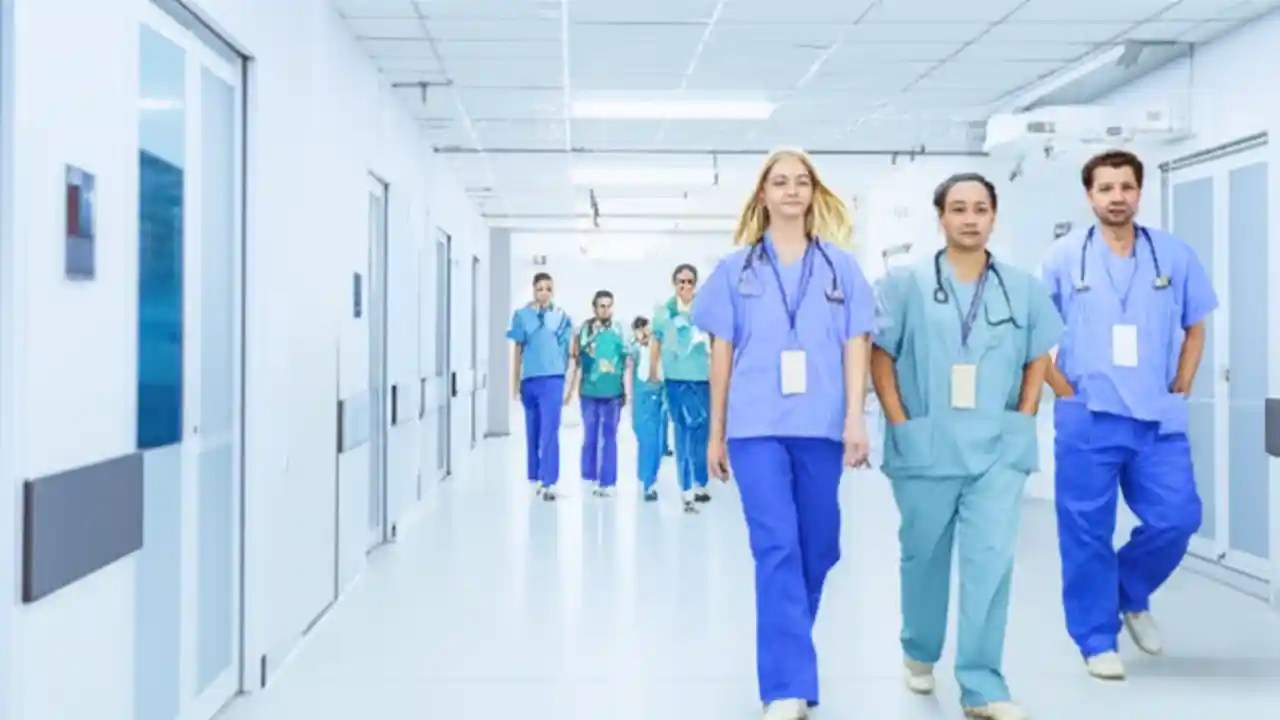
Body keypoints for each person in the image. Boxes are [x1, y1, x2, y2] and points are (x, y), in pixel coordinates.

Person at [870, 173, 1061, 720]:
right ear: (941, 217)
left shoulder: (1021, 286)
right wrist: (900, 421)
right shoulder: (903, 284)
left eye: (980, 208)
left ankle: (982, 686)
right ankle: (919, 649)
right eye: (959, 208)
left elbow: (1036, 357)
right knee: (923, 557)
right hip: (926, 444)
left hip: (998, 448)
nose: (970, 218)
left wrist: (1024, 417)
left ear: (994, 216)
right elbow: (882, 356)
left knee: (990, 562)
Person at [692, 147, 874, 720]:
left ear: (813, 192)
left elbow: (857, 345)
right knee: (775, 547)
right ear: (762, 194)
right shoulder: (734, 270)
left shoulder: (841, 268)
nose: (791, 190)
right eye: (780, 182)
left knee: (818, 547)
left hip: (820, 425)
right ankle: (785, 687)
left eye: (801, 182)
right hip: (755, 427)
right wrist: (715, 432)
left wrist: (854, 419)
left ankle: (789, 648)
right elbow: (721, 354)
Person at [1042, 150, 1216, 680]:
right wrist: (1062, 388)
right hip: (1088, 415)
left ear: (1140, 192)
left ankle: (1128, 590)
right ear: (1089, 195)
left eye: (1126, 187)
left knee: (1179, 517)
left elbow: (1195, 326)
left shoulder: (1173, 255)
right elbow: (1033, 335)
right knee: (1086, 531)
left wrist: (1182, 385)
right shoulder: (1063, 257)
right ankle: (1096, 640)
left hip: (1157, 418)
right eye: (1105, 188)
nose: (1117, 197)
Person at [650, 263, 712, 513]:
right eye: (681, 282)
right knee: (682, 432)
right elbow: (656, 341)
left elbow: (718, 343)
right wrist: (653, 372)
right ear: (674, 284)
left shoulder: (706, 309)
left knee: (701, 432)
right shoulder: (664, 312)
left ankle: (701, 482)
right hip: (676, 379)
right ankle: (686, 487)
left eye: (689, 281)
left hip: (702, 378)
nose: (685, 286)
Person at [506, 272, 573, 501]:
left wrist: (567, 382)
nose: (544, 292)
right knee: (532, 430)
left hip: (553, 378)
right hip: (530, 379)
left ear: (553, 291)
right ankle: (534, 477)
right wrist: (514, 383)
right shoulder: (522, 316)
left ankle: (549, 481)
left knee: (550, 430)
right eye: (540, 288)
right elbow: (517, 349)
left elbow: (567, 351)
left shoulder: (561, 317)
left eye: (548, 288)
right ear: (533, 289)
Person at [568, 290, 628, 498]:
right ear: (594, 308)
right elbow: (575, 358)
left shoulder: (619, 330)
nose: (605, 309)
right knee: (590, 435)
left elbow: (626, 360)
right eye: (601, 306)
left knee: (610, 436)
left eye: (608, 305)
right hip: (589, 392)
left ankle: (608, 481)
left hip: (613, 392)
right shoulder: (584, 330)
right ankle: (588, 477)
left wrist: (626, 390)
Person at [629, 316, 665, 502]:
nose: (643, 333)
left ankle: (649, 481)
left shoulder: (656, 348)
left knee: (654, 439)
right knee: (645, 436)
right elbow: (629, 373)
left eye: (646, 329)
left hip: (655, 391)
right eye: (639, 329)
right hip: (641, 394)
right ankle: (646, 479)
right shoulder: (634, 350)